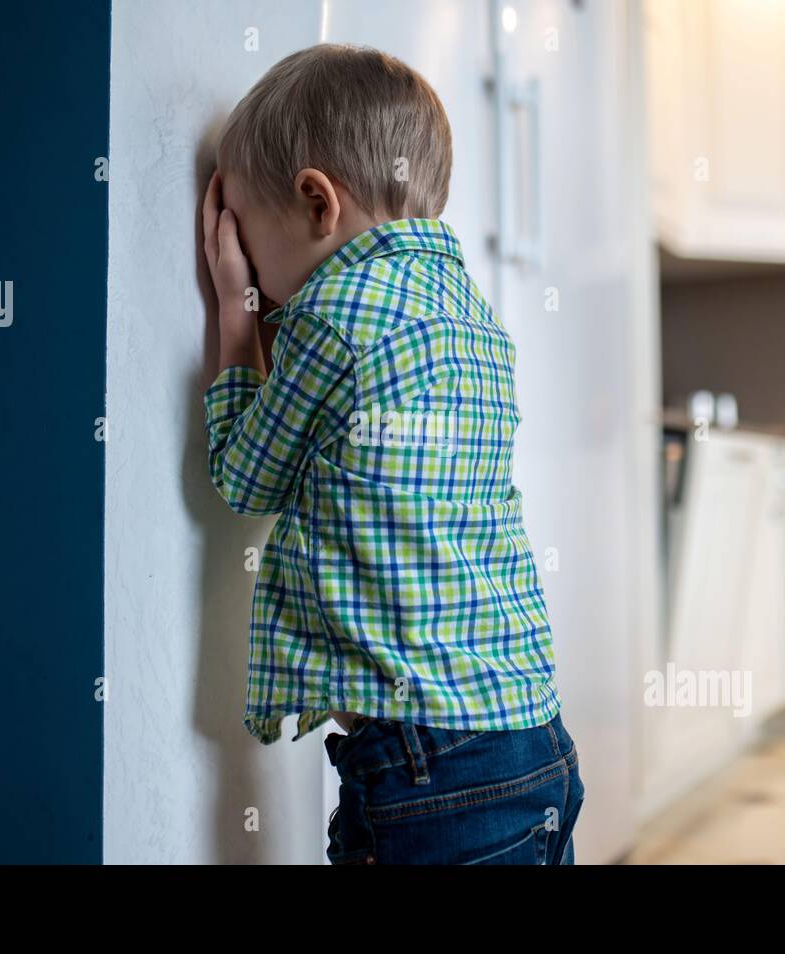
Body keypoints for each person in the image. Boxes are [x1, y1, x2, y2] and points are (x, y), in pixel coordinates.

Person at [201, 43, 583, 864]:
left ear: (315, 202)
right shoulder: (472, 313)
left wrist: (239, 324)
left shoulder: (330, 315)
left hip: (431, 774)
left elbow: (244, 476)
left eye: (251, 242)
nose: (261, 281)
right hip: (534, 740)